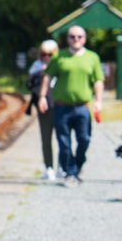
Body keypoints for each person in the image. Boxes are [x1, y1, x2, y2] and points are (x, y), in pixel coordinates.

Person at [44, 25, 104, 186]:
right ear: (67, 38)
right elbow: (47, 77)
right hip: (62, 107)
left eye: (79, 37)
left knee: (84, 139)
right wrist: (43, 96)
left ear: (84, 39)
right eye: (72, 36)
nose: (76, 39)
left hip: (82, 107)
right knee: (64, 142)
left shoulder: (92, 57)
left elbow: (98, 81)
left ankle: (78, 165)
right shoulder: (59, 57)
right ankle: (70, 173)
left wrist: (98, 101)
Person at [27, 39, 58, 180]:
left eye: (50, 55)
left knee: (63, 139)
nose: (47, 58)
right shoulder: (36, 67)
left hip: (60, 106)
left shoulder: (61, 66)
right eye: (44, 54)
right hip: (44, 107)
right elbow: (29, 85)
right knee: (46, 138)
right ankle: (49, 167)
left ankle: (63, 167)